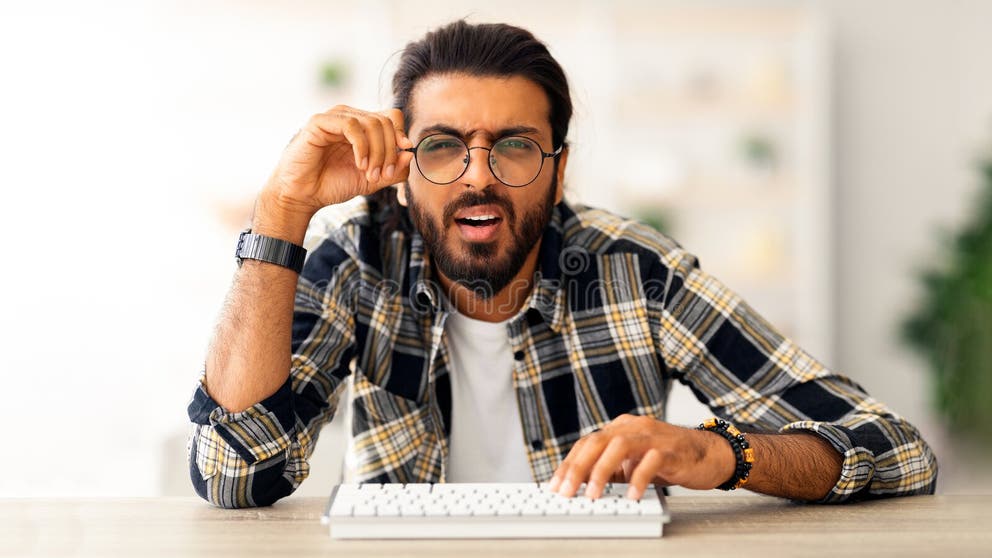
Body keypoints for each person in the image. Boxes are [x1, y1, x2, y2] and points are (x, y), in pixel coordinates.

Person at [186, 20, 937, 509]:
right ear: (404, 166)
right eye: (444, 146)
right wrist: (281, 212)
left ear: (558, 166)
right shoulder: (357, 262)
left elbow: (895, 451)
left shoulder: (636, 272)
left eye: (513, 145)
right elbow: (233, 473)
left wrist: (720, 453)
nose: (478, 177)